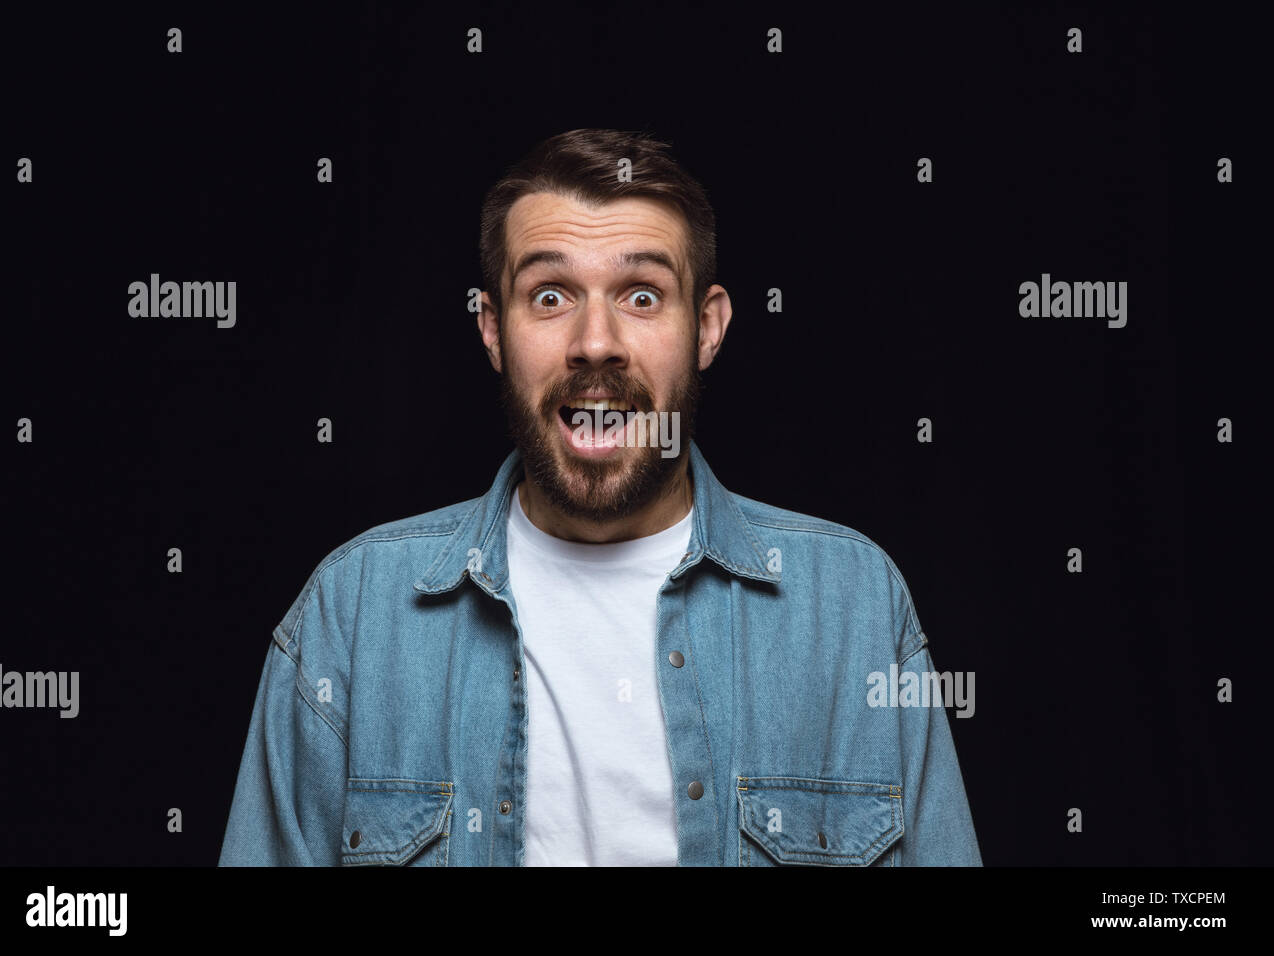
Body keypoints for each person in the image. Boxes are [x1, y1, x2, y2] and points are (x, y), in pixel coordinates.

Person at [218, 128, 982, 866]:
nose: (595, 341)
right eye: (549, 296)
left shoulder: (852, 607)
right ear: (491, 329)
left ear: (707, 327)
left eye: (642, 296)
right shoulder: (352, 615)